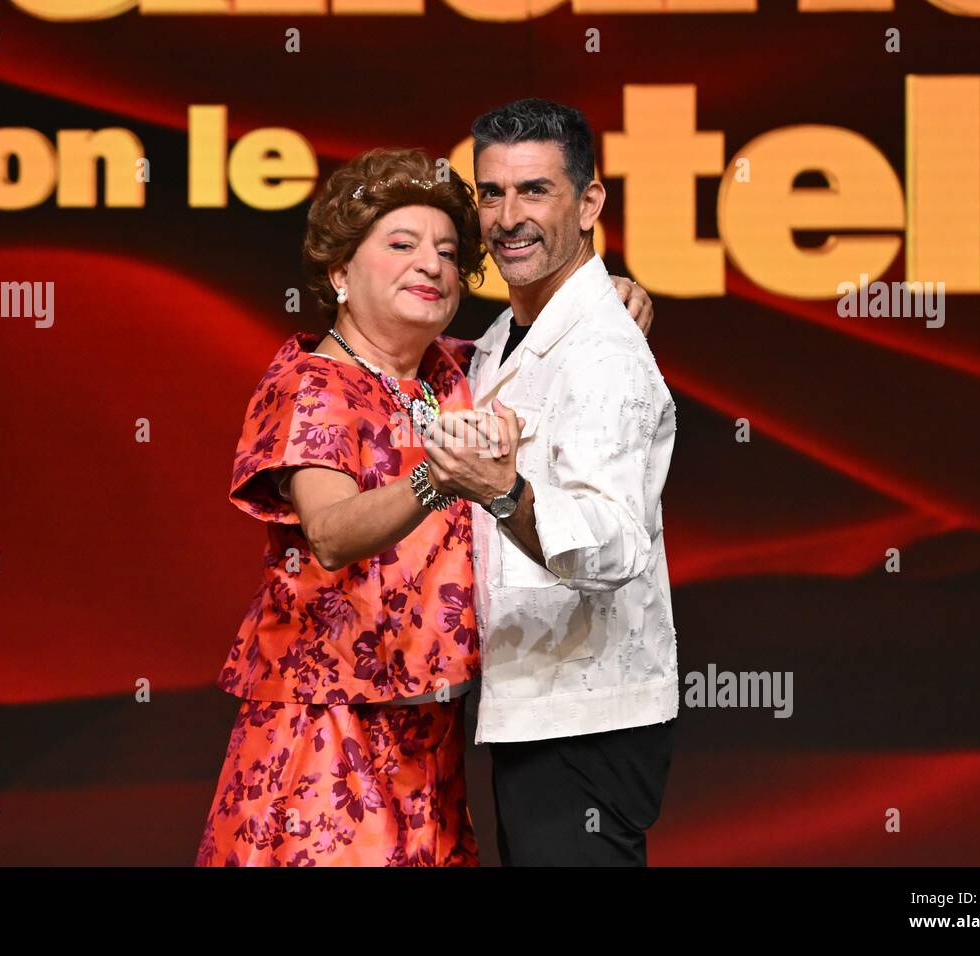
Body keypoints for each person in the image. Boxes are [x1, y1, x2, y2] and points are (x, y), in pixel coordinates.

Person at [194, 145, 654, 866]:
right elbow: (332, 532)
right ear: (341, 272)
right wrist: (440, 478)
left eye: (446, 251)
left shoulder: (456, 368)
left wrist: (610, 293)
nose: (432, 264)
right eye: (402, 245)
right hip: (328, 734)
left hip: (430, 738)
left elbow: (551, 334)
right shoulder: (315, 384)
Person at [423, 99, 680, 866]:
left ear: (590, 202)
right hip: (536, 704)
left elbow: (617, 544)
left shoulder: (605, 353)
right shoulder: (506, 333)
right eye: (492, 193)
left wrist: (506, 495)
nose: (508, 217)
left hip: (586, 716)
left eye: (534, 191)